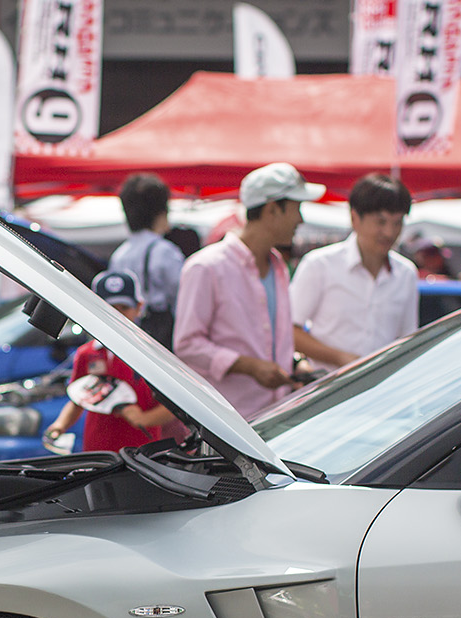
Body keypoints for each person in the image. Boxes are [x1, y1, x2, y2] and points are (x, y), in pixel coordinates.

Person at [173, 162, 318, 418]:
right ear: (273, 209)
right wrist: (249, 367)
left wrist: (294, 362)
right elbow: (187, 345)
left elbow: (272, 339)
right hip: (227, 424)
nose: (301, 219)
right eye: (297, 208)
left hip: (276, 416)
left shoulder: (278, 267)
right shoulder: (206, 267)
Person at [289, 173, 419, 372]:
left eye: (397, 223)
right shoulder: (320, 265)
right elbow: (290, 331)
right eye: (381, 222)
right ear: (354, 218)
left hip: (384, 394)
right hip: (326, 388)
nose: (389, 233)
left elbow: (408, 341)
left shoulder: (406, 274)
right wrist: (340, 358)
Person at [46, 271, 177, 453]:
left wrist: (145, 419)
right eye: (108, 308)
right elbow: (78, 399)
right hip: (98, 451)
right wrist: (59, 426)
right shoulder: (87, 353)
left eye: (124, 307)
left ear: (139, 307)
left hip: (142, 454)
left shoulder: (153, 354)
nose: (117, 314)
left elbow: (174, 406)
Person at [107, 172, 184, 346]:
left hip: (130, 340)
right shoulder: (165, 251)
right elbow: (183, 301)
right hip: (162, 342)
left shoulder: (119, 254)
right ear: (161, 212)